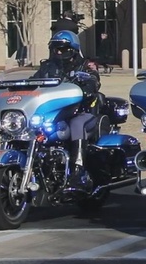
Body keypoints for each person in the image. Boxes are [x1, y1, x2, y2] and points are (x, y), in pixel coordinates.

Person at [31, 31, 100, 189]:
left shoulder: (85, 66)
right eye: (56, 49)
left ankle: (78, 170)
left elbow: (93, 82)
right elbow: (32, 83)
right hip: (53, 113)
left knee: (77, 124)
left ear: (73, 49)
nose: (59, 53)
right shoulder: (47, 67)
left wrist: (88, 86)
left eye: (63, 49)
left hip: (81, 112)